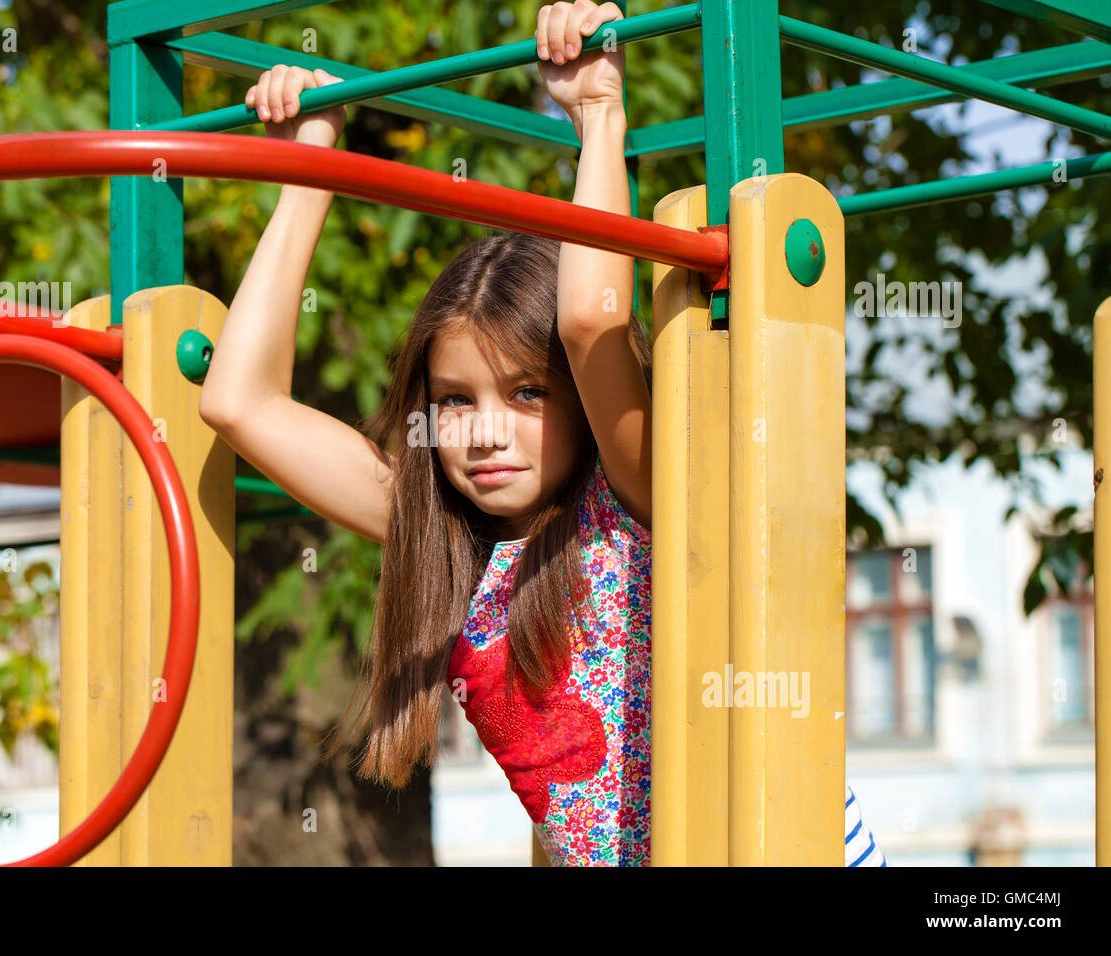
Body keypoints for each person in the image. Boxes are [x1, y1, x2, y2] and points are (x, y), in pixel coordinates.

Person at [199, 0, 886, 867]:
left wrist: (599, 115)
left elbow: (592, 324)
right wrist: (312, 165)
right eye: (454, 400)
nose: (484, 432)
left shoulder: (637, 494)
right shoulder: (451, 543)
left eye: (526, 392)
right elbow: (238, 404)